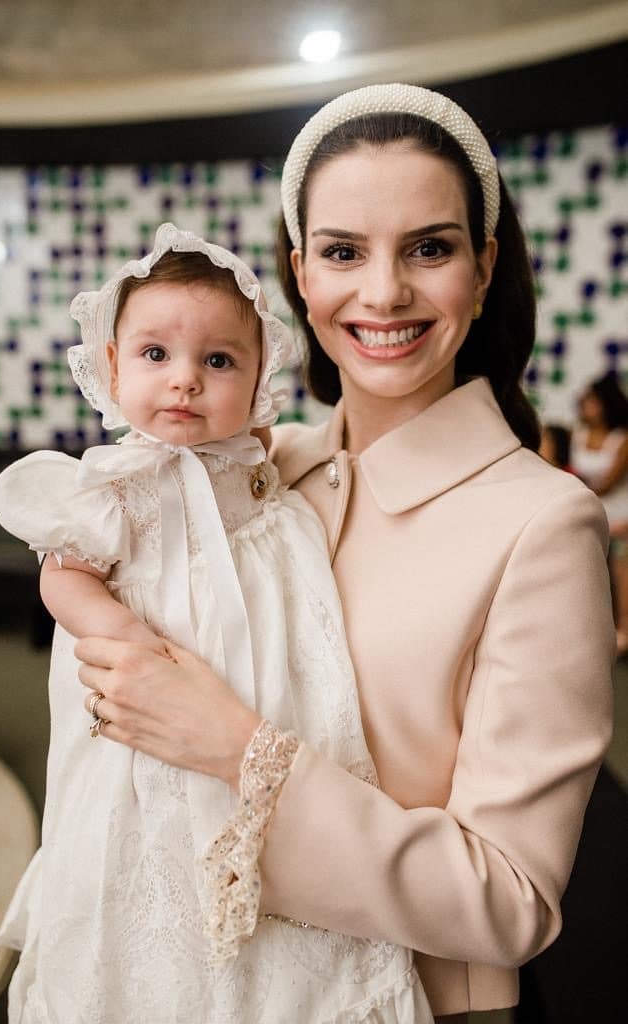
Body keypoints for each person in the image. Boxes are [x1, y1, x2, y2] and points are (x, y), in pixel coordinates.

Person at [72, 85, 615, 1024]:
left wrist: (238, 751)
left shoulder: (543, 523)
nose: (383, 292)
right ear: (299, 277)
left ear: (483, 271)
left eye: (430, 249)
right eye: (342, 252)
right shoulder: (252, 478)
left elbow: (511, 900)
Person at [0, 224, 433, 1023]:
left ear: (260, 379)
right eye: (157, 356)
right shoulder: (118, 482)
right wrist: (119, 636)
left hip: (267, 684)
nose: (185, 382)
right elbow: (65, 575)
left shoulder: (254, 454)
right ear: (116, 366)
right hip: (155, 692)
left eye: (218, 361)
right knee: (150, 836)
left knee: (289, 793)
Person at [571, 371, 628, 655]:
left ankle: (624, 627)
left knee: (619, 555)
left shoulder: (622, 439)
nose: (586, 406)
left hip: (619, 512)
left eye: (592, 400)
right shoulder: (578, 435)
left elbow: (610, 482)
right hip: (588, 506)